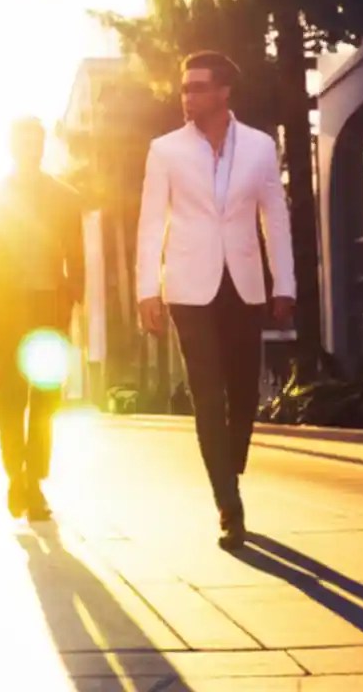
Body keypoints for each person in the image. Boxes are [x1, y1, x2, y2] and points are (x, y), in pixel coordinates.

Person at [136, 51, 296, 551]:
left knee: (244, 392)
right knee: (208, 394)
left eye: (197, 87)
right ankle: (229, 503)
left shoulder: (259, 147)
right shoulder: (164, 151)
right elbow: (149, 223)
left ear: (224, 92)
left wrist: (284, 282)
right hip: (189, 287)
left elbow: (275, 215)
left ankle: (229, 463)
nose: (187, 96)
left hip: (244, 283)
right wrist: (147, 289)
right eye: (183, 88)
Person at [0, 117, 84, 521]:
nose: (28, 148)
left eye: (35, 141)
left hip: (49, 310)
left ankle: (32, 477)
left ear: (42, 145)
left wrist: (74, 301)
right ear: (11, 147)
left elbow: (77, 256)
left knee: (46, 399)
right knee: (12, 398)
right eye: (21, 141)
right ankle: (16, 473)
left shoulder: (65, 197)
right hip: (6, 310)